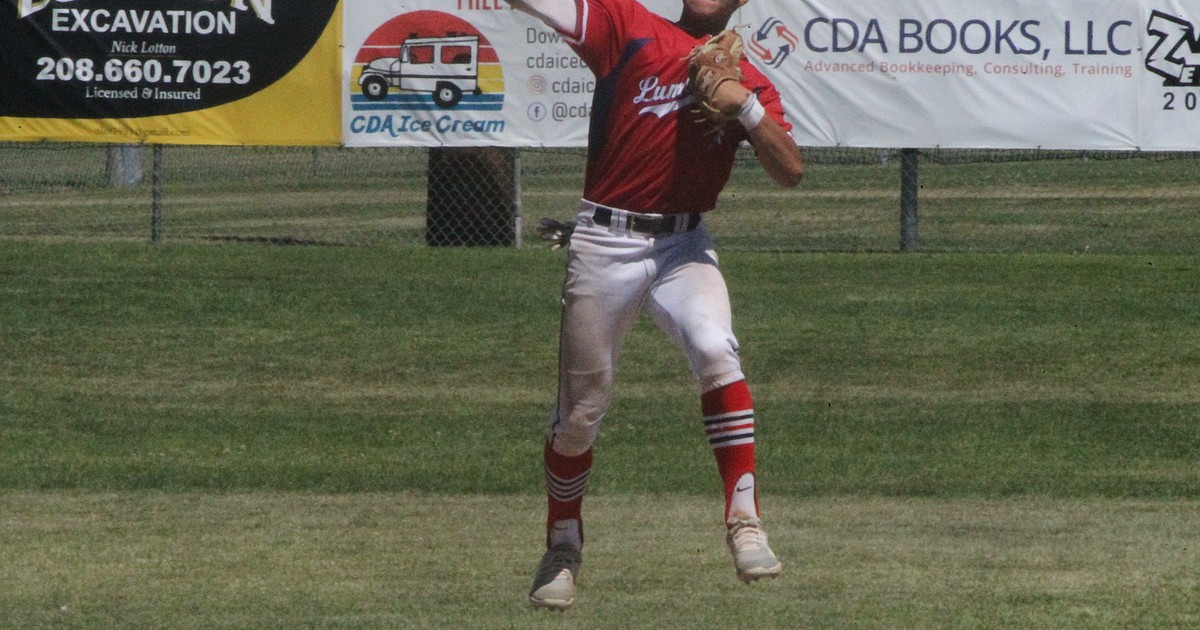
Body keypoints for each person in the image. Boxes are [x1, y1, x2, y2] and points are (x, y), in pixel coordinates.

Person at [506, 0, 805, 610]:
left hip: (684, 241)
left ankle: (745, 522)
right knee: (581, 412)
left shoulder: (750, 79)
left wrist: (743, 106)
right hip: (604, 240)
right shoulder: (630, 27)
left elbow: (791, 170)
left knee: (714, 347)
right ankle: (563, 545)